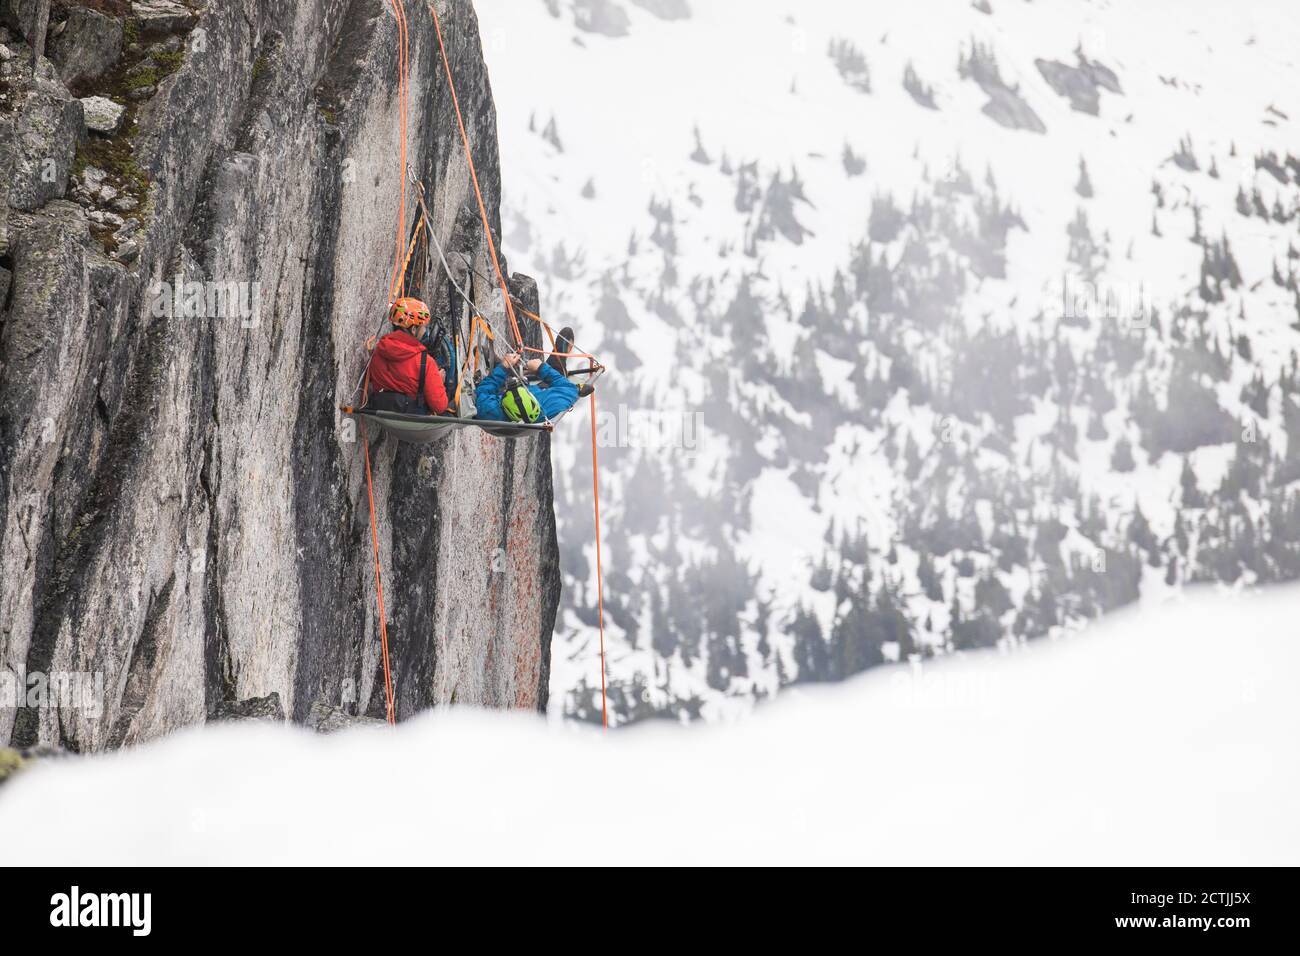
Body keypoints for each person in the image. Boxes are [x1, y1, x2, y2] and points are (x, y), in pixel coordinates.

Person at [475, 326, 587, 423]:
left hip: (501, 399)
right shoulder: (544, 407)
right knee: (556, 373)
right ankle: (555, 364)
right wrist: (541, 368)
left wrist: (503, 367)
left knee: (498, 383)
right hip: (537, 394)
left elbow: (482, 391)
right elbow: (571, 390)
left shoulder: (489, 408)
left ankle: (504, 369)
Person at [364, 297, 449, 415]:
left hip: (382, 414)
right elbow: (440, 406)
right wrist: (439, 381)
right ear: (413, 329)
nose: (425, 331)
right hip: (412, 423)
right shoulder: (425, 363)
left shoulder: (378, 352)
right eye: (423, 327)